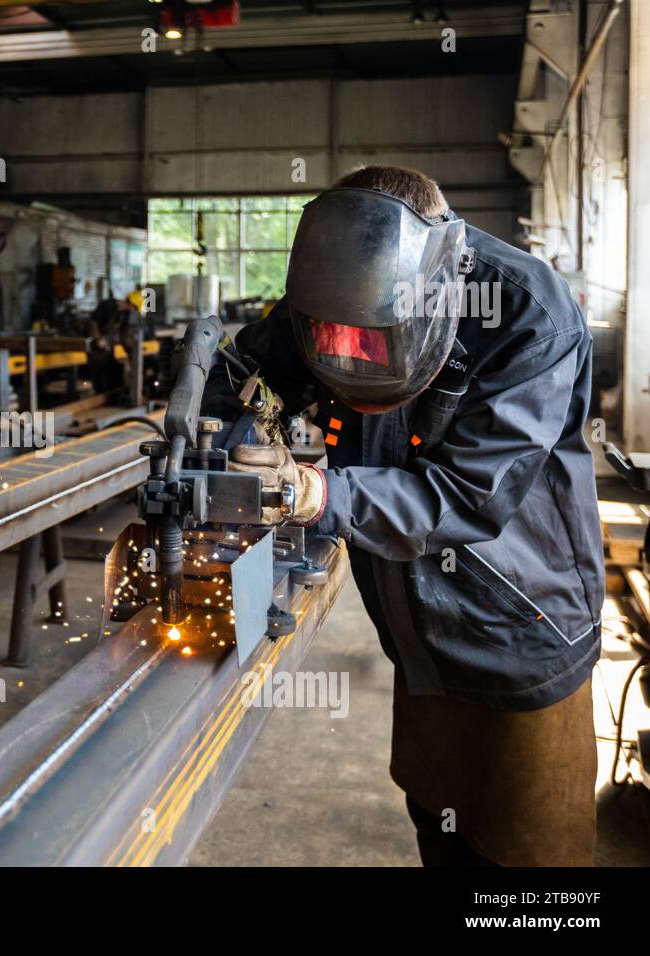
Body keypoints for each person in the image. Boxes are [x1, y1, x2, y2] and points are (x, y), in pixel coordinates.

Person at [210, 165, 603, 866]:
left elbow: (466, 496)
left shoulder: (527, 315)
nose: (350, 367)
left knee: (526, 864)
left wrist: (319, 494)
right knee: (438, 821)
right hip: (412, 631)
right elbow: (240, 376)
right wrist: (232, 442)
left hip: (521, 632)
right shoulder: (327, 299)